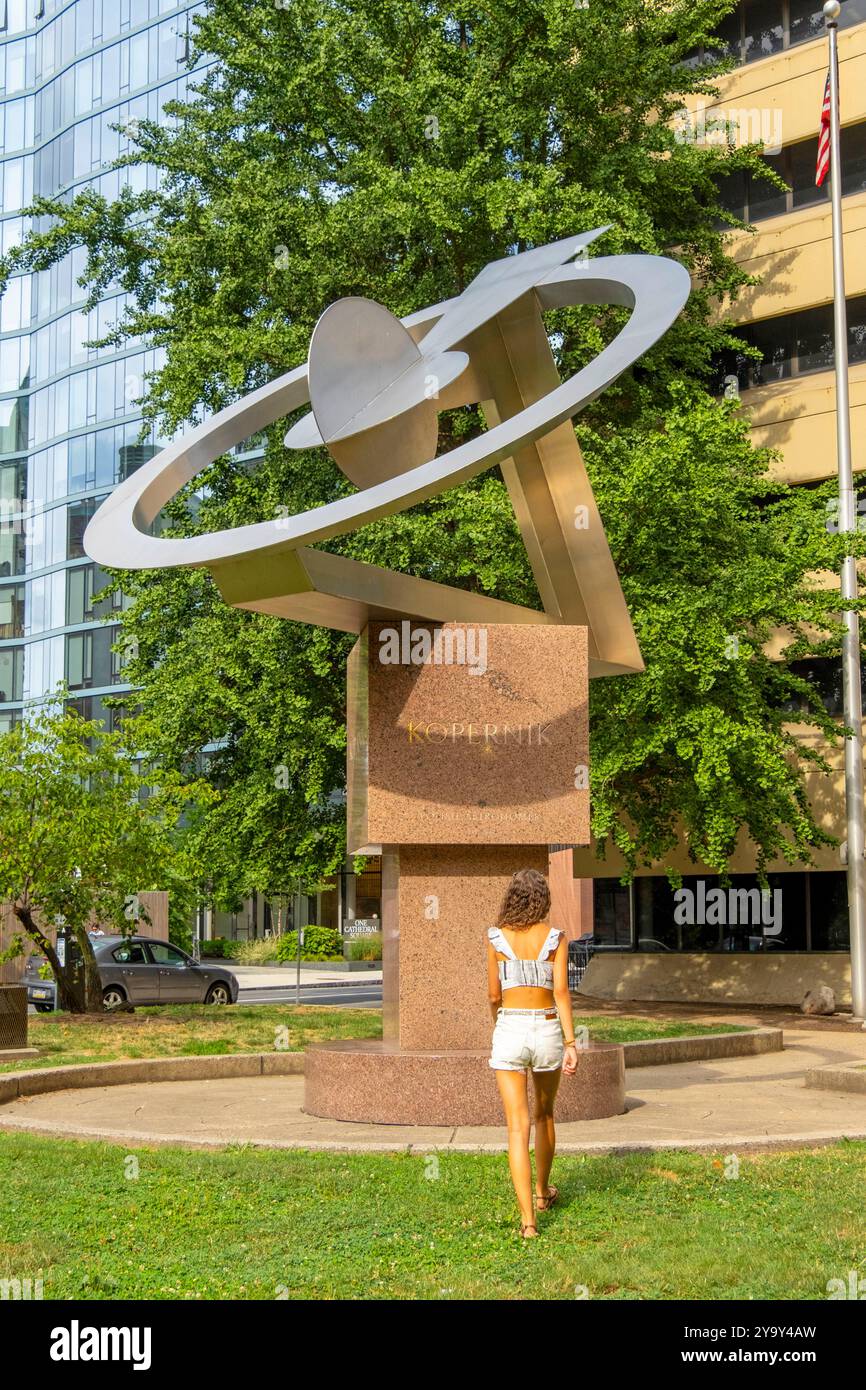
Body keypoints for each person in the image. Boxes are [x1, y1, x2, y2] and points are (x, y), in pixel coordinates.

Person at [486, 867, 578, 1238]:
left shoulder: (495, 939)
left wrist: (500, 1022)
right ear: (542, 900)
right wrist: (571, 1042)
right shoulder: (555, 939)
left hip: (510, 1026)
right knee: (545, 1115)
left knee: (516, 1127)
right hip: (545, 1027)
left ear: (512, 897)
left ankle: (528, 1222)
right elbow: (561, 993)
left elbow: (493, 996)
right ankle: (543, 1193)